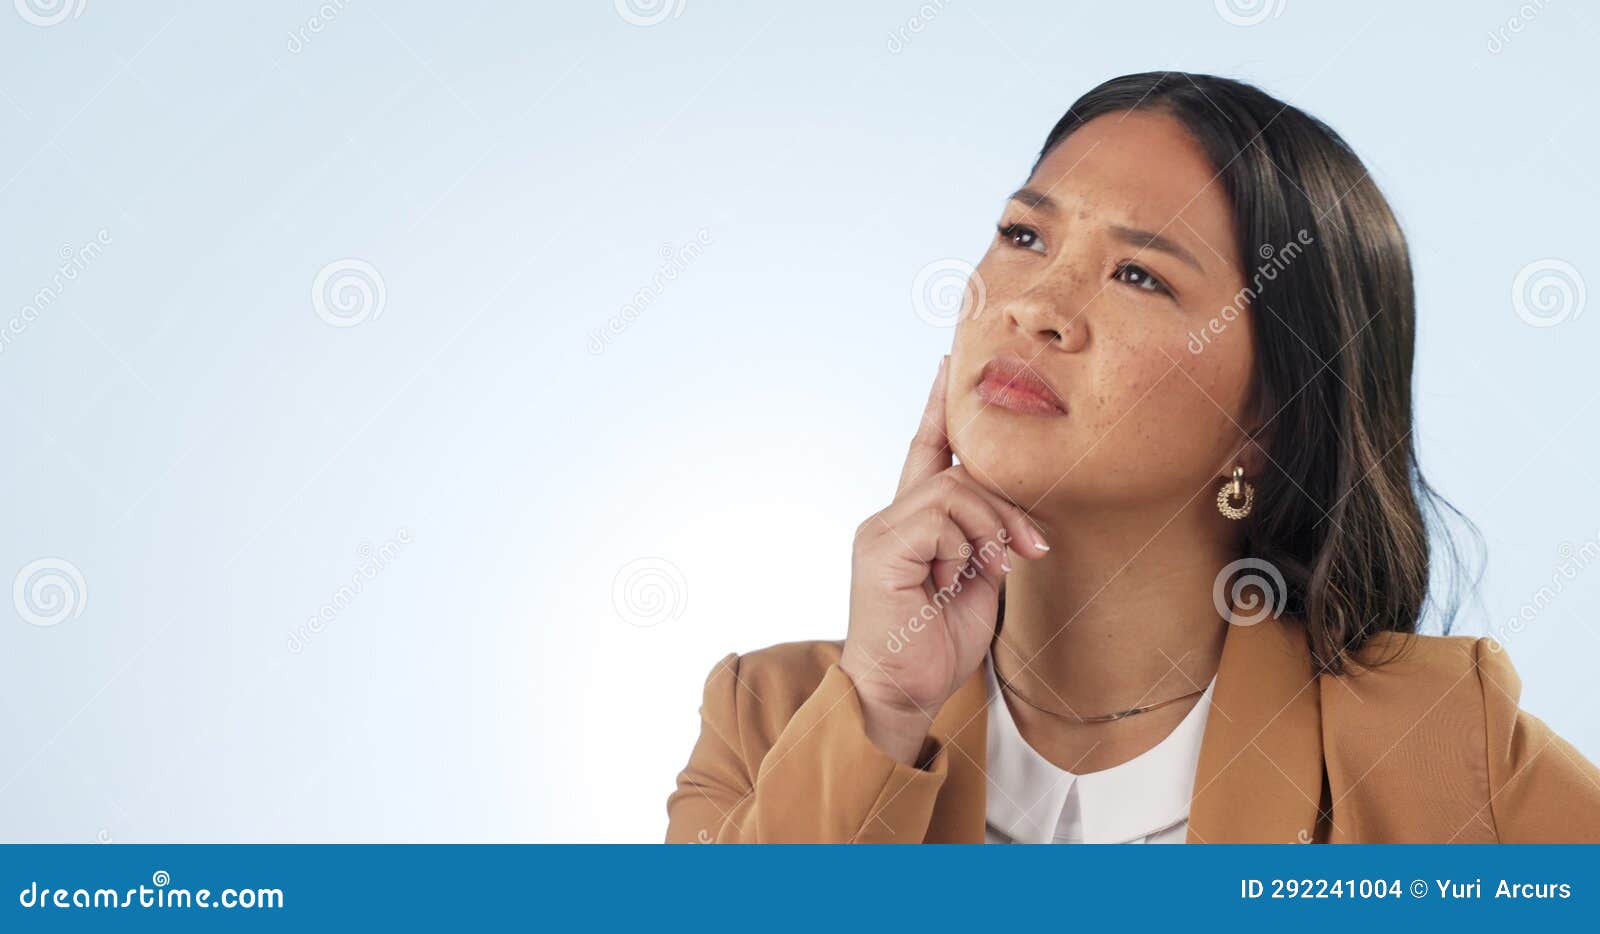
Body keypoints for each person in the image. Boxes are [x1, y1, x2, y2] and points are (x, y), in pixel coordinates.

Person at [664, 72, 1600, 844]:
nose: (1036, 304)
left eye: (1139, 275)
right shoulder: (769, 717)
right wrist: (880, 706)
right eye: (1024, 235)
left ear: (1272, 415)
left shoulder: (1441, 752)